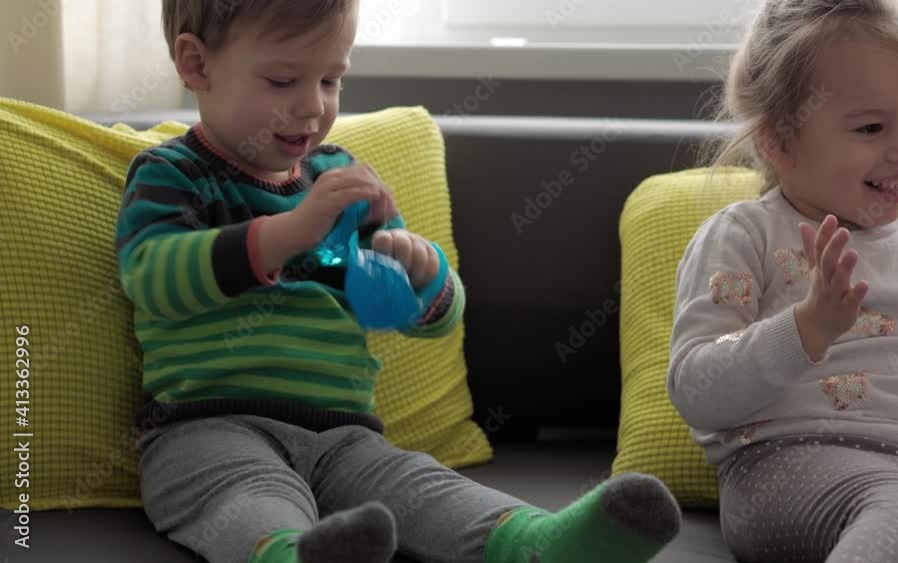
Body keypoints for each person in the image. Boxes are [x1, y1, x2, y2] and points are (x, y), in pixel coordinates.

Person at [115, 1, 682, 562]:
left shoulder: (337, 177)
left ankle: (539, 544)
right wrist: (288, 231)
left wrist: (422, 271)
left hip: (345, 435)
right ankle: (293, 556)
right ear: (196, 65)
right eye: (283, 79)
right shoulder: (172, 175)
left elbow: (423, 316)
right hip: (209, 427)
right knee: (247, 497)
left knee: (420, 487)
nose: (314, 106)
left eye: (332, 79)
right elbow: (153, 277)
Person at [668, 1, 898, 561]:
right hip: (786, 469)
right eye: (872, 127)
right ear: (780, 142)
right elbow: (696, 389)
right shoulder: (744, 235)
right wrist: (804, 329)